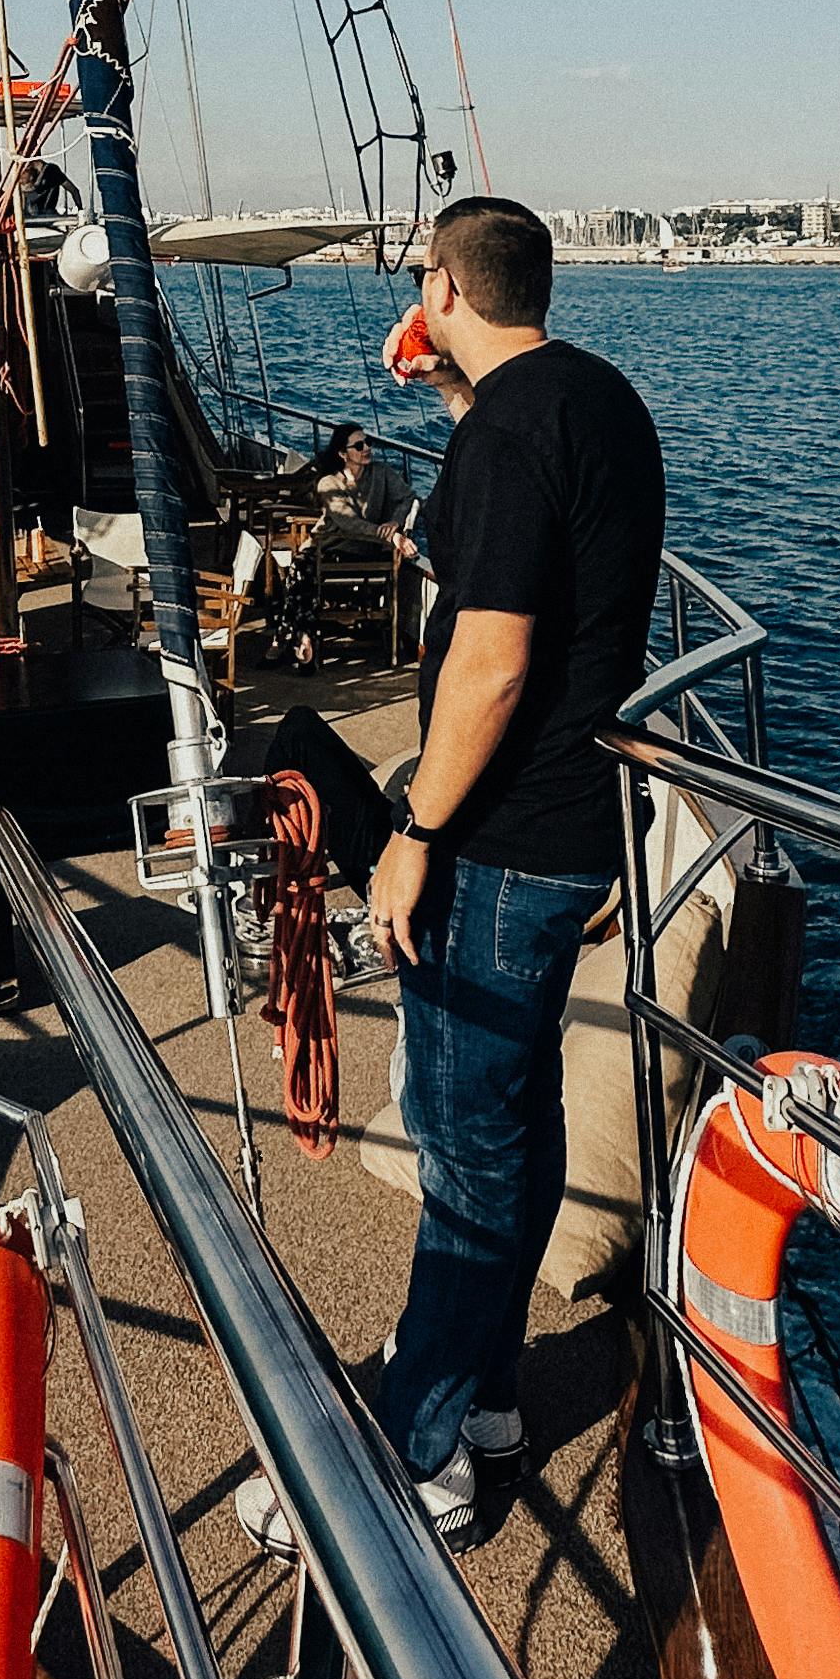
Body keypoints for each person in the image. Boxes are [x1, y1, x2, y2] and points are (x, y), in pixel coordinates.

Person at [240, 196, 663, 1555]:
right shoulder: (595, 403)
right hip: (572, 829)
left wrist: (413, 840)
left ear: (440, 284)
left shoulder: (505, 439)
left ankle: (410, 1449)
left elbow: (488, 663)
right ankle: (480, 1395)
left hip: (491, 844)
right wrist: (446, 379)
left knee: (465, 1149)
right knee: (513, 1123)